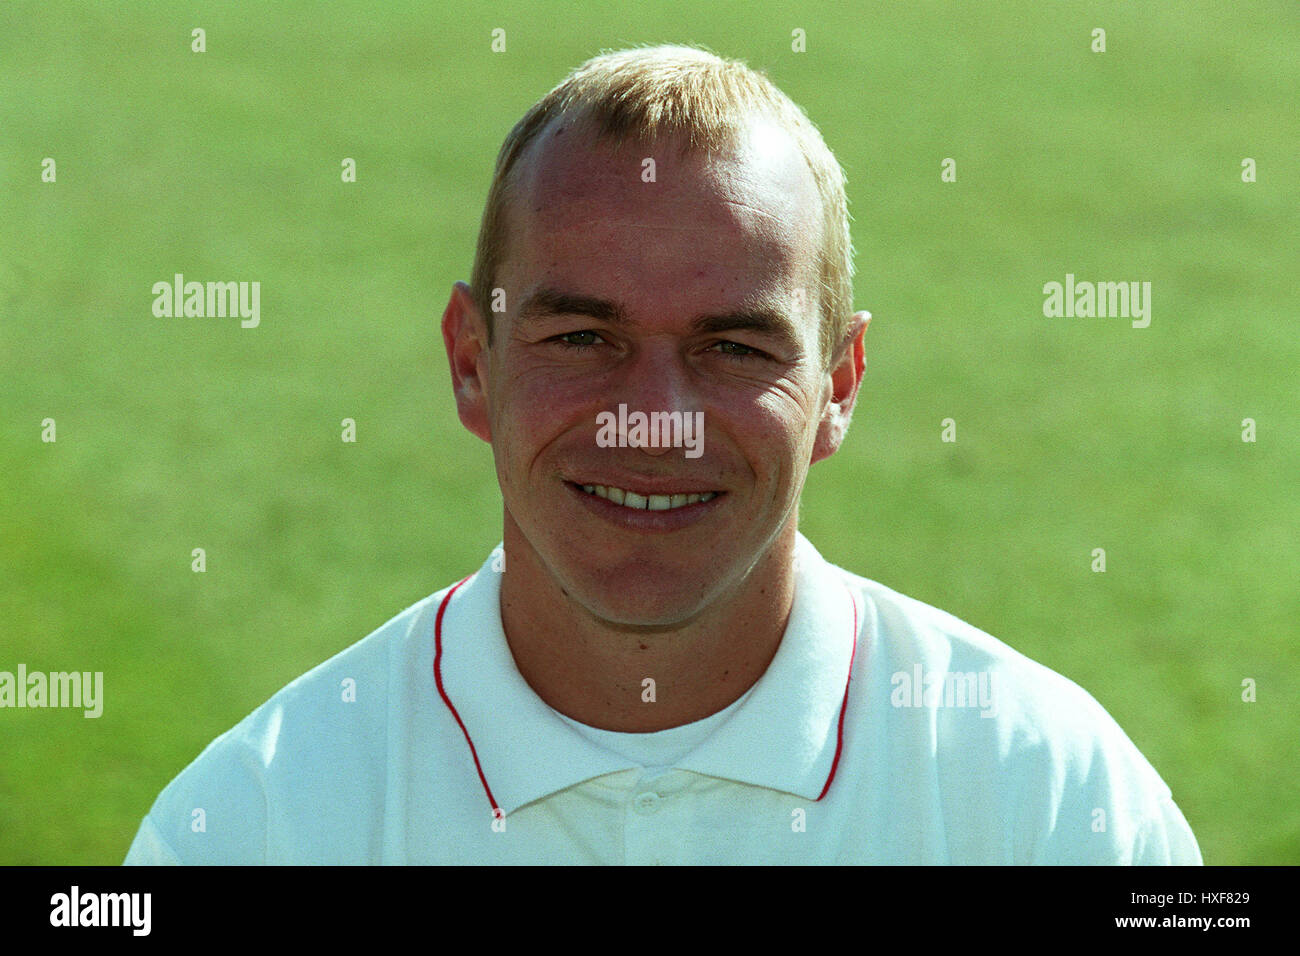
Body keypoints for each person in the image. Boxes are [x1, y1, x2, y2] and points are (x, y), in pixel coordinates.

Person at [124, 45, 1201, 865]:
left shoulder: (1056, 803)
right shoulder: (251, 826)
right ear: (470, 363)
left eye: (732, 348)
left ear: (839, 385)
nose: (654, 420)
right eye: (581, 338)